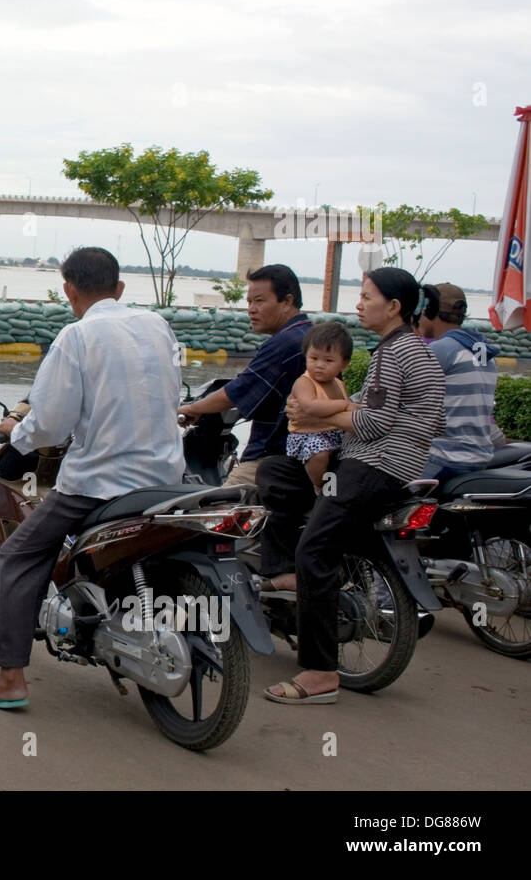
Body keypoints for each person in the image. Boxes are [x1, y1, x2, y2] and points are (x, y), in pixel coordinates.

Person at [0, 248, 185, 709]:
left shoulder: (76, 336)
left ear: (69, 289)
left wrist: (19, 432)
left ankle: (9, 679)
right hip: (167, 477)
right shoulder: (158, 326)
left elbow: (50, 422)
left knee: (18, 554)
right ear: (120, 289)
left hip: (100, 481)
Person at [256, 268, 445, 705]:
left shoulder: (394, 353)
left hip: (372, 467)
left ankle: (320, 671)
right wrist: (328, 415)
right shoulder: (415, 351)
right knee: (279, 473)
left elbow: (374, 421)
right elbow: (423, 419)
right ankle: (281, 572)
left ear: (393, 307)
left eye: (366, 297)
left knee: (315, 552)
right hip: (388, 467)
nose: (358, 304)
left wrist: (314, 416)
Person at [178, 265, 311, 486]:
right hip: (302, 454)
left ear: (287, 302)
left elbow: (239, 390)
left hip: (272, 456)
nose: (251, 309)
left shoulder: (285, 342)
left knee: (217, 510)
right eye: (249, 302)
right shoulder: (308, 334)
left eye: (259, 301)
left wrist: (191, 408)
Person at [417, 283, 498, 480]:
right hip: (479, 456)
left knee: (376, 491)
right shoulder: (483, 352)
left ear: (429, 311)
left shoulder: (442, 350)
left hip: (445, 456)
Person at [284, 321, 354, 490]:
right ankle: (320, 486)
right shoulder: (304, 382)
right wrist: (344, 404)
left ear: (344, 363)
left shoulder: (338, 383)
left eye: (328, 360)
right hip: (308, 437)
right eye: (314, 358)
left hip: (334, 434)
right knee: (319, 455)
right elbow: (310, 407)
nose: (319, 365)